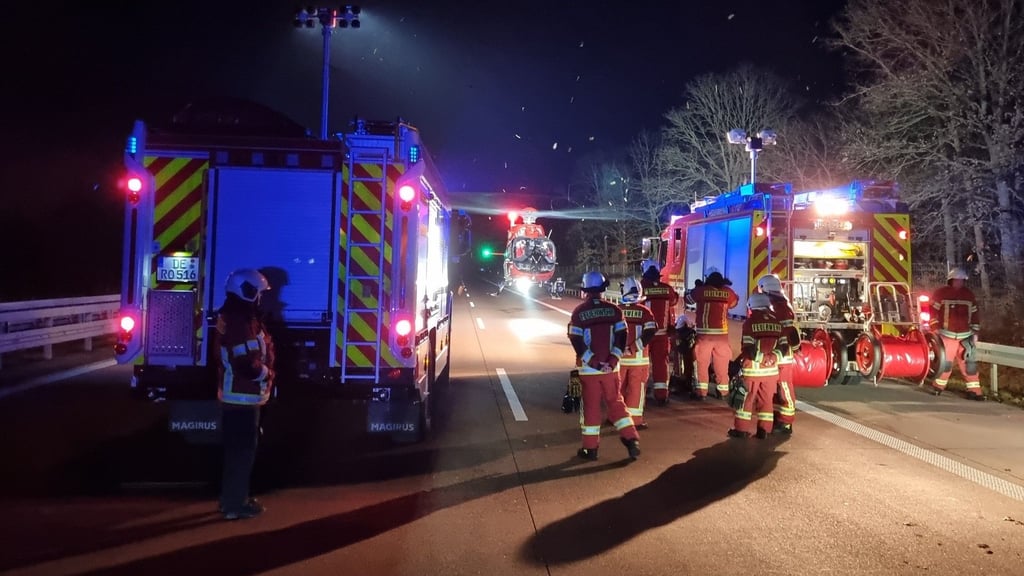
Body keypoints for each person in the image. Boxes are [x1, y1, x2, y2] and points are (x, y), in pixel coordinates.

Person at [216, 268, 275, 520]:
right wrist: (266, 374)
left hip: (240, 397)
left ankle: (232, 500)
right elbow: (244, 363)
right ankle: (234, 505)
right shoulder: (239, 322)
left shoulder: (239, 317)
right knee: (241, 454)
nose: (260, 298)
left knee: (238, 453)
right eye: (258, 293)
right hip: (241, 397)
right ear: (247, 292)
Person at [567, 271, 641, 461]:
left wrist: (592, 361)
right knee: (616, 403)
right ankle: (631, 439)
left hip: (589, 370)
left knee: (591, 408)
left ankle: (590, 449)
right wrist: (613, 360)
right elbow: (622, 336)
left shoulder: (579, 313)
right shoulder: (615, 310)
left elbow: (576, 339)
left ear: (585, 290)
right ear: (602, 290)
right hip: (611, 370)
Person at [728, 293, 784, 439]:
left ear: (752, 306)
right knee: (766, 402)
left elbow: (748, 348)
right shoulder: (778, 322)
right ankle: (764, 430)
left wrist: (761, 359)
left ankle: (741, 430)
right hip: (771, 372)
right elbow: (784, 347)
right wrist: (772, 359)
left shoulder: (750, 323)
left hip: (753, 371)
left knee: (746, 401)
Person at [929, 268, 983, 399]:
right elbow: (932, 312)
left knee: (969, 364)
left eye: (962, 280)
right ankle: (938, 387)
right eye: (957, 280)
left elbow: (975, 314)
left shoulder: (969, 294)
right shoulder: (941, 293)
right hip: (946, 335)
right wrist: (935, 327)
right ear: (951, 280)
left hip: (966, 336)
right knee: (945, 364)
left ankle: (975, 391)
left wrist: (975, 331)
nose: (960, 282)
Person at [758, 274, 798, 434]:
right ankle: (778, 418)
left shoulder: (776, 306)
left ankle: (786, 422)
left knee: (784, 387)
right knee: (777, 387)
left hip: (781, 354)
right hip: (777, 352)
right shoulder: (782, 303)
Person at [690, 269, 739, 400]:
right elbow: (734, 303)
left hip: (704, 336)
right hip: (722, 337)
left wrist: (698, 287)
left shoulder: (701, 291)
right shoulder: (728, 293)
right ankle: (723, 392)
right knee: (722, 365)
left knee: (702, 363)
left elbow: (688, 299)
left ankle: (702, 393)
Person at [617, 276, 658, 430]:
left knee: (617, 389)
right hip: (639, 361)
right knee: (636, 389)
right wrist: (633, 348)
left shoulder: (617, 310)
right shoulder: (645, 312)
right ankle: (635, 421)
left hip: (619, 360)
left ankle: (616, 418)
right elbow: (650, 332)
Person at [639, 259, 679, 406]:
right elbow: (674, 300)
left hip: (643, 335)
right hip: (662, 334)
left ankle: (639, 395)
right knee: (661, 364)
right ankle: (661, 395)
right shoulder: (667, 289)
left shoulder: (640, 288)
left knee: (641, 365)